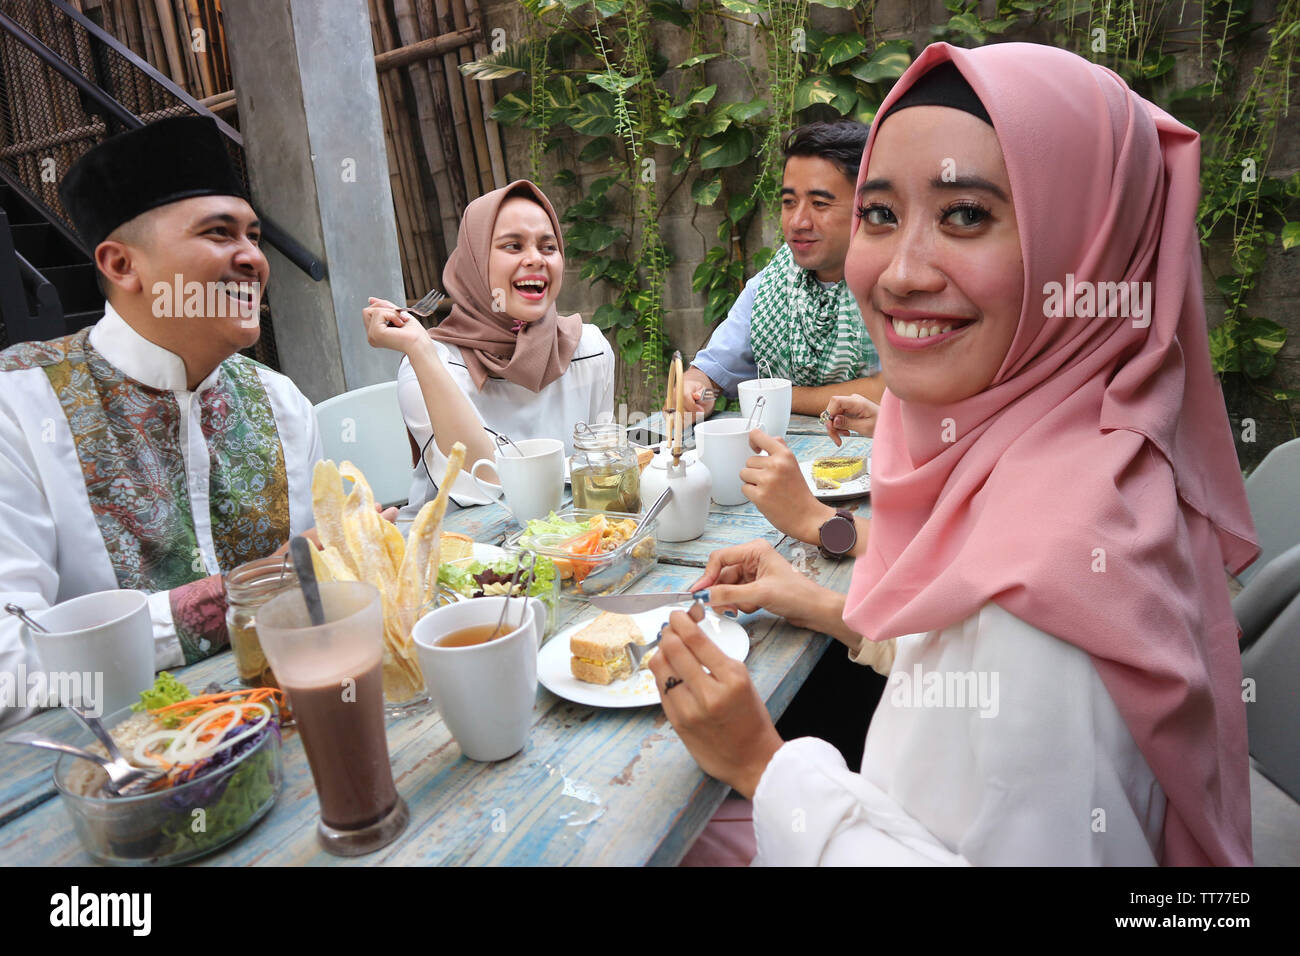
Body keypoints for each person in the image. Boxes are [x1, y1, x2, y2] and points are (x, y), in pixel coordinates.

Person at [651, 44, 1258, 866]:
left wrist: (763, 765)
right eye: (881, 214)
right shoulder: (1078, 449)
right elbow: (961, 645)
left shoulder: (1063, 580)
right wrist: (816, 598)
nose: (899, 274)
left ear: (1088, 247)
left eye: (966, 214)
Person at [0, 117, 322, 727]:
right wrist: (230, 597)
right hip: (111, 774)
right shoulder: (19, 408)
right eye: (219, 233)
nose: (253, 257)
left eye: (254, 235)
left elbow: (316, 595)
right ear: (122, 265)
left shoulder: (281, 403)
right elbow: (8, 671)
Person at [364, 181, 614, 512]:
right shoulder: (429, 363)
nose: (535, 259)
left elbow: (603, 467)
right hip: (457, 551)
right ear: (475, 260)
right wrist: (419, 350)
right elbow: (483, 489)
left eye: (548, 247)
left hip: (568, 543)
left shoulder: (589, 348)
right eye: (513, 246)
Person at [681, 121, 885, 420]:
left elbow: (892, 390)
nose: (798, 221)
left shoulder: (896, 284)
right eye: (789, 202)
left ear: (867, 206)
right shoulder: (770, 288)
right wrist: (695, 392)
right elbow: (711, 376)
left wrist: (774, 395)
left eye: (819, 203)